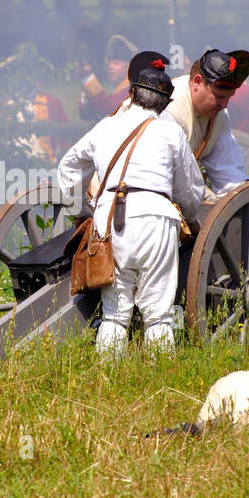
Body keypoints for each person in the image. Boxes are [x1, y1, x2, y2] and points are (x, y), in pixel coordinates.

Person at [57, 59, 204, 356]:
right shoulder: (171, 132)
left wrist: (81, 211)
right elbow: (190, 189)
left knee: (114, 313)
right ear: (164, 103)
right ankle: (160, 373)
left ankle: (109, 377)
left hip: (110, 219)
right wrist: (188, 218)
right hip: (157, 220)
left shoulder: (106, 126)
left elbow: (69, 164)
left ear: (132, 93)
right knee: (159, 314)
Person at [114, 48, 249, 200]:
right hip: (123, 193)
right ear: (198, 82)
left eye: (228, 98)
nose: (224, 105)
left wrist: (245, 194)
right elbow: (171, 176)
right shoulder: (167, 109)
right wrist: (209, 200)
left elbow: (228, 171)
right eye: (219, 96)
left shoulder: (219, 116)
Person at [79, 34, 138, 120]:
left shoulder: (134, 90)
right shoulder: (117, 91)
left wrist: (87, 77)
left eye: (116, 63)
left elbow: (107, 107)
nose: (110, 67)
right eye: (109, 64)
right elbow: (86, 114)